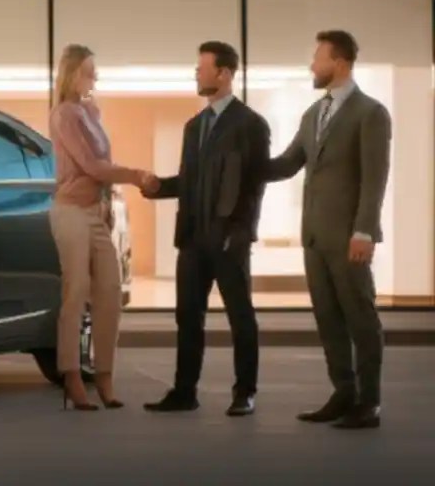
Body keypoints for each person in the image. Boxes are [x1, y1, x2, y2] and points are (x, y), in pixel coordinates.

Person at [266, 30, 390, 430]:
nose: (311, 65)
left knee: (361, 317)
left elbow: (375, 178)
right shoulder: (311, 115)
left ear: (338, 62)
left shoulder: (370, 113)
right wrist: (246, 160)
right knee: (328, 319)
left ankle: (369, 402)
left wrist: (365, 231)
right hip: (315, 237)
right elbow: (287, 164)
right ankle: (343, 393)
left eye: (317, 58)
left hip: (349, 236)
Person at [141, 41, 270, 417]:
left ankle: (244, 392)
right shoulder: (194, 126)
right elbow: (190, 181)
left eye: (202, 67)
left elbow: (255, 185)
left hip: (230, 239)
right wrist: (158, 188)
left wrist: (242, 232)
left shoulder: (251, 125)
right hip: (194, 239)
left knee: (240, 316)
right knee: (188, 316)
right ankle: (184, 392)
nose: (196, 73)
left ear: (224, 74)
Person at [48, 44, 152, 411]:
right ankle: (72, 376)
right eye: (90, 71)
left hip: (96, 213)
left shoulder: (91, 111)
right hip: (71, 212)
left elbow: (102, 167)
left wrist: (109, 203)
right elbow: (93, 166)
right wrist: (136, 175)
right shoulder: (63, 115)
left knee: (109, 291)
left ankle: (105, 375)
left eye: (95, 72)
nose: (95, 78)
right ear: (72, 73)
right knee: (75, 292)